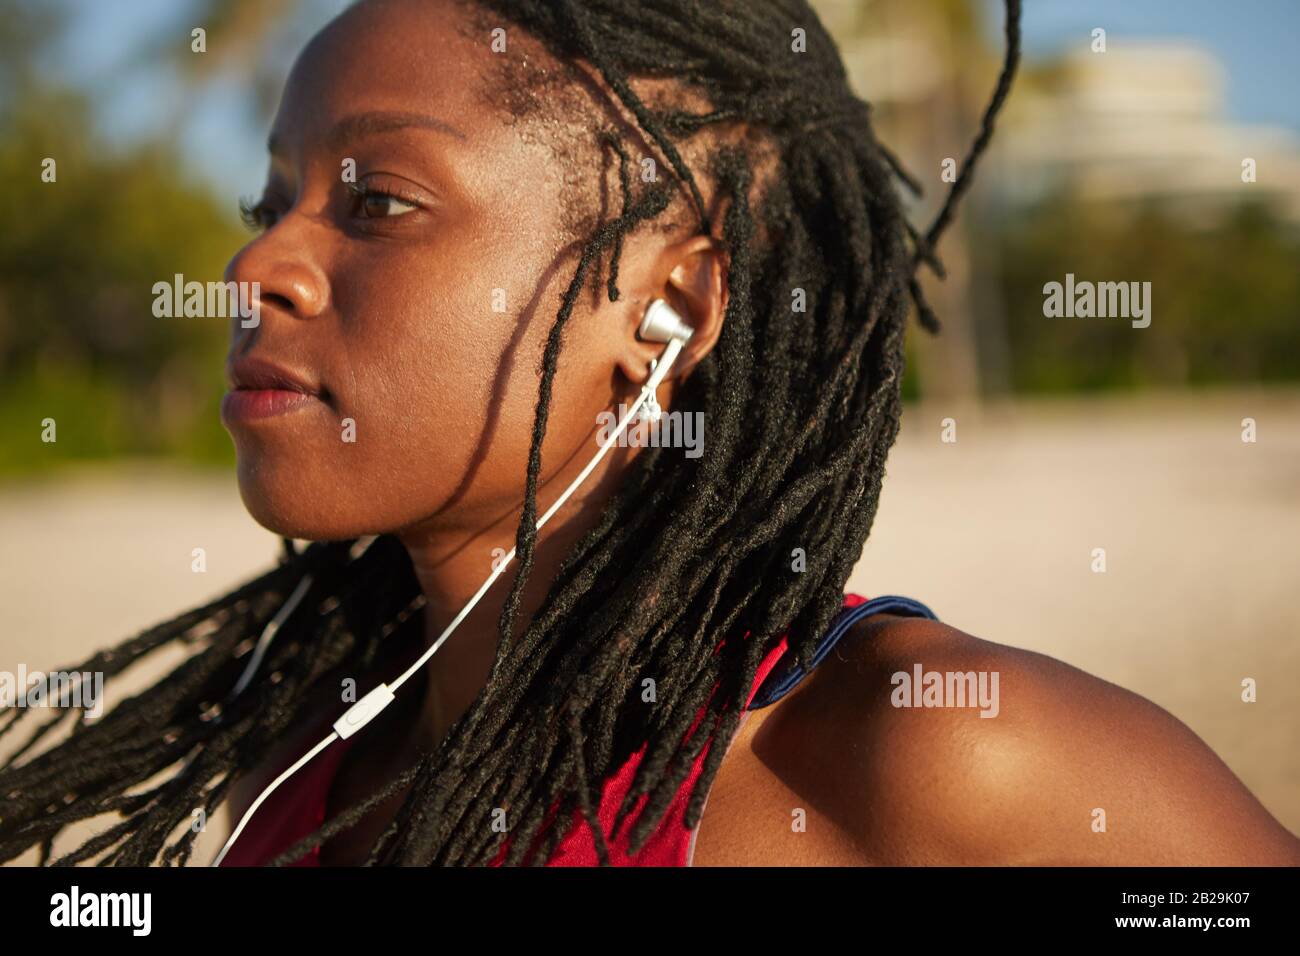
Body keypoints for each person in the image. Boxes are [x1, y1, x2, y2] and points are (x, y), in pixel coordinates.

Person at [2, 0, 1296, 867]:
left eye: (377, 201)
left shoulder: (930, 756)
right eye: (271, 197)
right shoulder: (305, 782)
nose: (257, 263)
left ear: (667, 306)